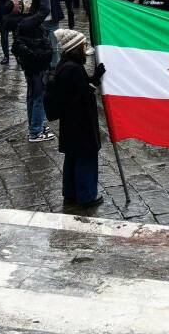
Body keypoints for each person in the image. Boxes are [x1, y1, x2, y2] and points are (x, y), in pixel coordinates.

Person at [53, 29, 105, 209]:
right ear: (76, 48)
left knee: (72, 157)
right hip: (81, 123)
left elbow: (77, 87)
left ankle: (70, 193)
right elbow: (81, 93)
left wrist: (93, 79)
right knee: (85, 158)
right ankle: (86, 196)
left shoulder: (65, 65)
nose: (85, 48)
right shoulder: (73, 69)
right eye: (83, 45)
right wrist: (93, 83)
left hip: (71, 123)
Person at [5, 0, 55, 142]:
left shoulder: (21, 20)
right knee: (38, 97)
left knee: (33, 96)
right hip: (36, 66)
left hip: (31, 65)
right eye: (22, 2)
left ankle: (37, 125)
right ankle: (35, 131)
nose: (27, 2)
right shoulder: (26, 23)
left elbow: (35, 7)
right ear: (19, 9)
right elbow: (44, 10)